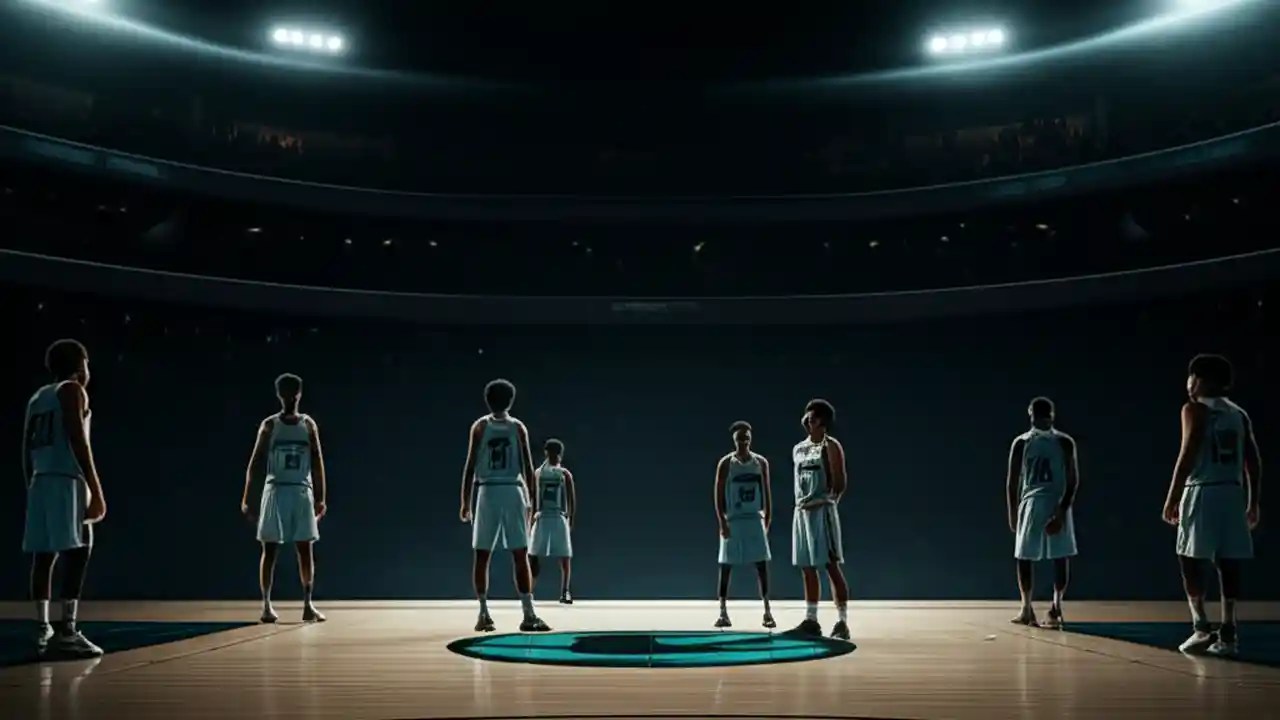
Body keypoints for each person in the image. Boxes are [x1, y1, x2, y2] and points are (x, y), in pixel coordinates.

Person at [1162, 354, 1261, 656]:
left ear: (1201, 380)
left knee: (1189, 558)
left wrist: (1172, 497)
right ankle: (1229, 631)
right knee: (1228, 562)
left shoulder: (1194, 409)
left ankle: (1201, 626)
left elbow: (1188, 452)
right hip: (1232, 492)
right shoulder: (1239, 414)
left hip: (1201, 490)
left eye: (1191, 376)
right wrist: (1253, 501)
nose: (1188, 382)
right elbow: (1253, 461)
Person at [23, 339, 106, 658]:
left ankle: (41, 628)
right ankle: (67, 631)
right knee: (80, 549)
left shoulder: (37, 397)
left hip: (41, 478)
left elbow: (26, 447)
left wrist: (31, 484)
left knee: (44, 555)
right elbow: (77, 440)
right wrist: (96, 489)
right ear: (80, 365)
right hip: (67, 478)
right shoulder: (72, 389)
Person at [459, 379, 551, 633]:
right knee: (519, 553)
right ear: (510, 401)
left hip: (488, 491)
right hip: (512, 490)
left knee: (483, 554)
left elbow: (470, 466)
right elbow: (528, 467)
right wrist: (532, 501)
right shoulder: (517, 427)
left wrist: (465, 501)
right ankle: (528, 614)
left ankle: (483, 613)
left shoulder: (480, 426)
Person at [241, 373, 328, 624]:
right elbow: (255, 463)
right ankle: (266, 605)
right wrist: (247, 497)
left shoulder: (308, 425)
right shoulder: (270, 425)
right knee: (270, 548)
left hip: (301, 489)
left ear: (299, 394)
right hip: (276, 490)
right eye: (286, 393)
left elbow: (317, 462)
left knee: (305, 547)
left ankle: (308, 604)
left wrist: (321, 497)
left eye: (294, 393)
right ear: (280, 395)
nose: (290, 398)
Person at [1006, 397, 1080, 630]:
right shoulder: (1027, 442)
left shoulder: (1059, 442)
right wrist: (1013, 512)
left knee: (1049, 556)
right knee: (1034, 556)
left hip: (1044, 500)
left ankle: (1045, 607)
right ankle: (1035, 607)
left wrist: (1061, 511)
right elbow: (1012, 482)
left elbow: (1072, 480)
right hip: (1037, 501)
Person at [790, 399, 852, 642]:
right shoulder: (799, 449)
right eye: (806, 416)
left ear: (822, 421)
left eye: (813, 417)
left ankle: (842, 621)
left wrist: (827, 503)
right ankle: (811, 620)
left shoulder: (831, 446)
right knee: (807, 567)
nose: (808, 421)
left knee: (830, 565)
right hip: (801, 512)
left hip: (822, 511)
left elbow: (840, 482)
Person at [714, 421, 775, 630]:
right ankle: (723, 611)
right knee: (726, 565)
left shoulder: (760, 462)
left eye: (746, 437)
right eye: (740, 438)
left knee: (761, 565)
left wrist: (767, 518)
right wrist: (722, 521)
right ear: (734, 439)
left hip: (754, 518)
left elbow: (767, 491)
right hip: (733, 518)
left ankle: (767, 610)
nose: (743, 441)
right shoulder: (726, 463)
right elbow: (718, 493)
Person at [529, 438, 576, 605]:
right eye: (551, 453)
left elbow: (571, 499)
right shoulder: (538, 473)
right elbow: (533, 498)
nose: (554, 456)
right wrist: (530, 519)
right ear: (546, 453)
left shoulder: (564, 474)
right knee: (533, 555)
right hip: (542, 516)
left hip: (558, 516)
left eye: (556, 453)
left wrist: (570, 519)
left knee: (565, 556)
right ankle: (529, 591)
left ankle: (565, 591)